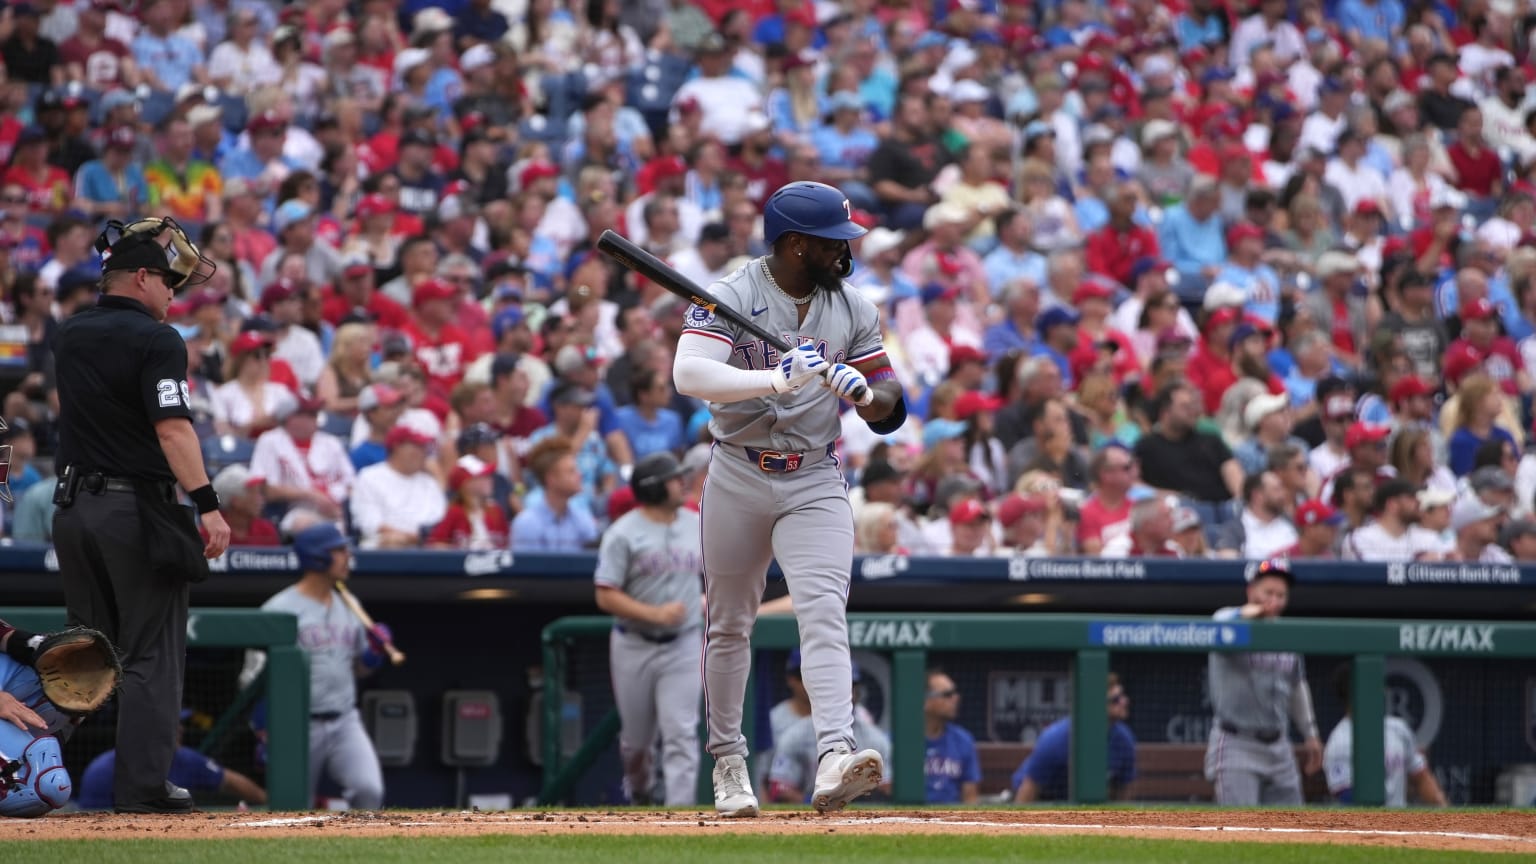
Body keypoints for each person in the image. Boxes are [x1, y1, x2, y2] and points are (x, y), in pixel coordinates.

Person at [671, 181, 906, 816]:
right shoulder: (733, 293)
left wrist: (863, 393)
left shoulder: (853, 306)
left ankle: (834, 753)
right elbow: (687, 373)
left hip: (814, 474)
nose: (846, 252)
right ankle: (728, 762)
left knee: (823, 608)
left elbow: (892, 409)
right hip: (738, 470)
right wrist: (772, 378)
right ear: (796, 243)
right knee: (729, 625)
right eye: (835, 242)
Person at [52, 217, 230, 813]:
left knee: (82, 651)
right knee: (149, 653)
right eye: (168, 282)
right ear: (144, 278)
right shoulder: (159, 339)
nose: (174, 294)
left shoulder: (70, 333)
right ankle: (144, 790)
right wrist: (208, 504)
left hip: (73, 508)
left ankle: (17, 767)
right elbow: (173, 428)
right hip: (133, 509)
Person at [239, 523, 386, 809]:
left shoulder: (349, 603)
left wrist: (373, 656)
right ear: (318, 557)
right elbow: (251, 680)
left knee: (369, 790)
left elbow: (358, 668)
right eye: (339, 550)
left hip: (345, 720)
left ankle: (360, 853)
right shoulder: (278, 608)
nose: (347, 556)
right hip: (296, 723)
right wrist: (264, 727)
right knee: (292, 806)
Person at [594, 453, 703, 806]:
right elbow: (605, 594)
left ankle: (680, 820)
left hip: (685, 642)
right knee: (636, 743)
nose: (682, 483)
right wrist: (653, 614)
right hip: (634, 643)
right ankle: (640, 790)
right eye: (674, 478)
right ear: (655, 488)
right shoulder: (622, 533)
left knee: (681, 734)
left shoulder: (696, 523)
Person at [1205, 557, 1323, 806]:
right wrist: (1251, 612)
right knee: (1240, 833)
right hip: (1237, 740)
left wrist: (1310, 734)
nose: (1275, 600)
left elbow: (1297, 686)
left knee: (1293, 832)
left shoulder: (1285, 634)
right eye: (1268, 592)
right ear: (1251, 591)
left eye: (1281, 595)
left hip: (1279, 745)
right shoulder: (1228, 620)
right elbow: (1219, 626)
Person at [76, 710, 269, 810]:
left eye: (180, 725)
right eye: (172, 726)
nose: (180, 730)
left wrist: (268, 803)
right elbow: (90, 823)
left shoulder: (185, 758)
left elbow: (231, 781)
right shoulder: (103, 770)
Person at [1323, 665, 1448, 808]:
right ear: (1355, 692)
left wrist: (1445, 811)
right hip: (1363, 827)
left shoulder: (1398, 728)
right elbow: (1346, 797)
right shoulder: (1339, 742)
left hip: (1399, 825)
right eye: (1373, 685)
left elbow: (1421, 777)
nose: (1382, 691)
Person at [767, 666, 892, 805]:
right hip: (812, 805)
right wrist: (817, 801)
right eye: (837, 687)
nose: (844, 693)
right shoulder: (795, 735)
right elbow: (779, 788)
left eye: (850, 686)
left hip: (863, 811)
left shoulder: (875, 738)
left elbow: (888, 787)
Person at [1013, 673, 1137, 802]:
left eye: (1122, 696)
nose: (1124, 702)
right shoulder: (1058, 737)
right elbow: (1029, 789)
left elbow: (1124, 789)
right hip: (1043, 801)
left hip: (1086, 807)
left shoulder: (1124, 738)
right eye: (1115, 700)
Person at [922, 668, 980, 804]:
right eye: (948, 694)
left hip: (950, 819)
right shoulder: (899, 741)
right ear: (926, 700)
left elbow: (970, 798)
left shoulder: (964, 740)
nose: (956, 698)